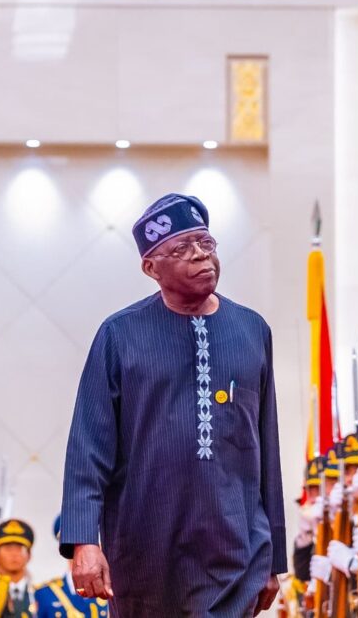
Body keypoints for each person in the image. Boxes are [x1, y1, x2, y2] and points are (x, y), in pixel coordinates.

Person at [60, 193, 285, 617]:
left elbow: (267, 450)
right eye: (181, 249)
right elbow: (87, 449)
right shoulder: (119, 335)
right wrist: (83, 541)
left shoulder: (252, 330)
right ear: (151, 268)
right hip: (144, 552)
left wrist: (274, 560)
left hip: (235, 551)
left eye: (206, 243)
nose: (201, 255)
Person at [37, 518, 109, 618]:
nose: (83, 547)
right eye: (74, 542)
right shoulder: (45, 594)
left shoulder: (116, 588)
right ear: (62, 548)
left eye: (89, 540)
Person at [0, 520, 36, 617]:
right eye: (8, 548)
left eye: (20, 548)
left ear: (29, 555)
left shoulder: (39, 595)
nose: (14, 554)